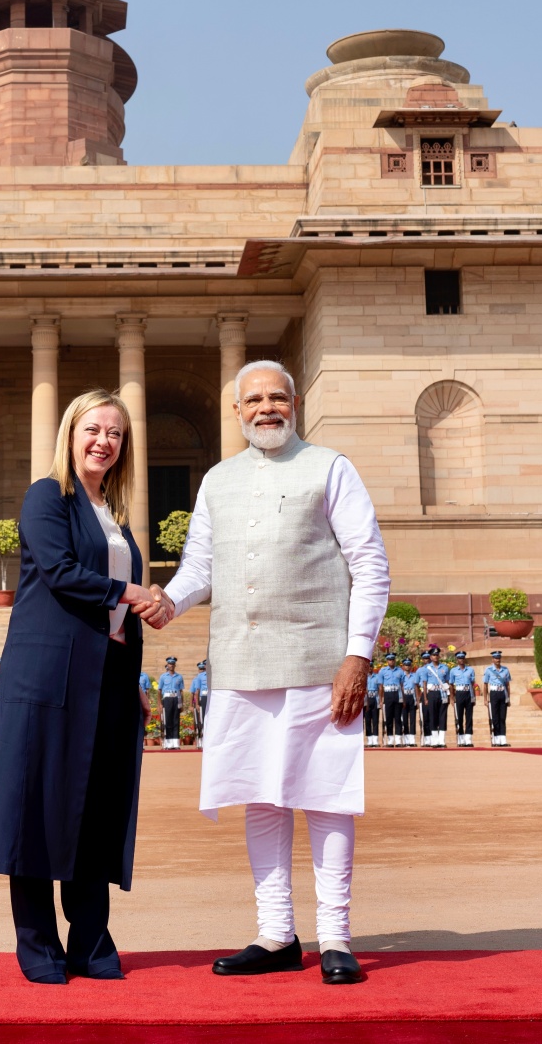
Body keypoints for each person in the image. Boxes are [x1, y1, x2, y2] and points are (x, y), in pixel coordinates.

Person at [150, 360, 390, 986]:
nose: (265, 409)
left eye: (276, 398)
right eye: (252, 400)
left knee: (327, 796)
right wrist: (169, 601)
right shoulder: (216, 481)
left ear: (295, 404)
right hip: (240, 660)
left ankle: (335, 937)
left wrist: (357, 655)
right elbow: (201, 563)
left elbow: (369, 563)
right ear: (236, 411)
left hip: (319, 659)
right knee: (261, 795)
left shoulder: (331, 467)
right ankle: (276, 934)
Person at [0, 389, 151, 985]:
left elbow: (114, 613)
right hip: (46, 675)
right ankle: (38, 945)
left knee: (96, 807)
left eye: (116, 434)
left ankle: (91, 940)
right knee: (37, 807)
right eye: (94, 429)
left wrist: (135, 677)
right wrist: (133, 593)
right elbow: (61, 573)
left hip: (106, 679)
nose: (104, 441)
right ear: (70, 433)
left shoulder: (116, 516)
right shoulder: (48, 496)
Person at [419, 646, 449, 749]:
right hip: (432, 693)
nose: (435, 657)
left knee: (442, 716)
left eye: (437, 655)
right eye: (433, 655)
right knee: (432, 716)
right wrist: (425, 698)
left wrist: (449, 695)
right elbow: (424, 683)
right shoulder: (427, 668)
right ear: (430, 657)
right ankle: (434, 740)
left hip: (442, 693)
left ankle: (441, 740)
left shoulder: (445, 668)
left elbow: (447, 682)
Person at [484, 649, 513, 748]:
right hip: (494, 694)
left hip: (502, 693)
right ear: (492, 659)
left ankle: (503, 739)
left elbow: (508, 685)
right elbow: (485, 685)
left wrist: (508, 698)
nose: (497, 660)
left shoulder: (505, 670)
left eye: (499, 658)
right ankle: (496, 739)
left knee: (502, 717)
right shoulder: (488, 670)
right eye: (496, 658)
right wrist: (485, 699)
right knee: (495, 717)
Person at [448, 650, 476, 749]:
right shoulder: (453, 671)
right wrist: (452, 697)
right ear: (457, 659)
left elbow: (472, 683)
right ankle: (460, 738)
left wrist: (473, 697)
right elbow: (451, 684)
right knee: (459, 717)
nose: (461, 660)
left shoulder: (470, 670)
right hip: (459, 693)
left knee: (469, 717)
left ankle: (468, 739)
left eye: (462, 658)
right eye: (459, 658)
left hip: (468, 693)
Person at [157, 658, 185, 750]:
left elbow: (181, 691)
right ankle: (168, 743)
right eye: (169, 664)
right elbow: (159, 691)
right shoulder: (163, 677)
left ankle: (175, 742)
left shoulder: (179, 677)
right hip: (167, 698)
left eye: (173, 664)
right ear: (167, 665)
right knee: (168, 720)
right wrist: (160, 704)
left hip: (176, 699)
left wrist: (181, 704)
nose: (171, 665)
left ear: (175, 665)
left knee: (176, 720)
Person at [192, 660, 210, 748]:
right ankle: (203, 740)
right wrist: (197, 704)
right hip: (204, 697)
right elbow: (196, 691)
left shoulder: (214, 675)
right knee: (203, 719)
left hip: (212, 697)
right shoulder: (200, 676)